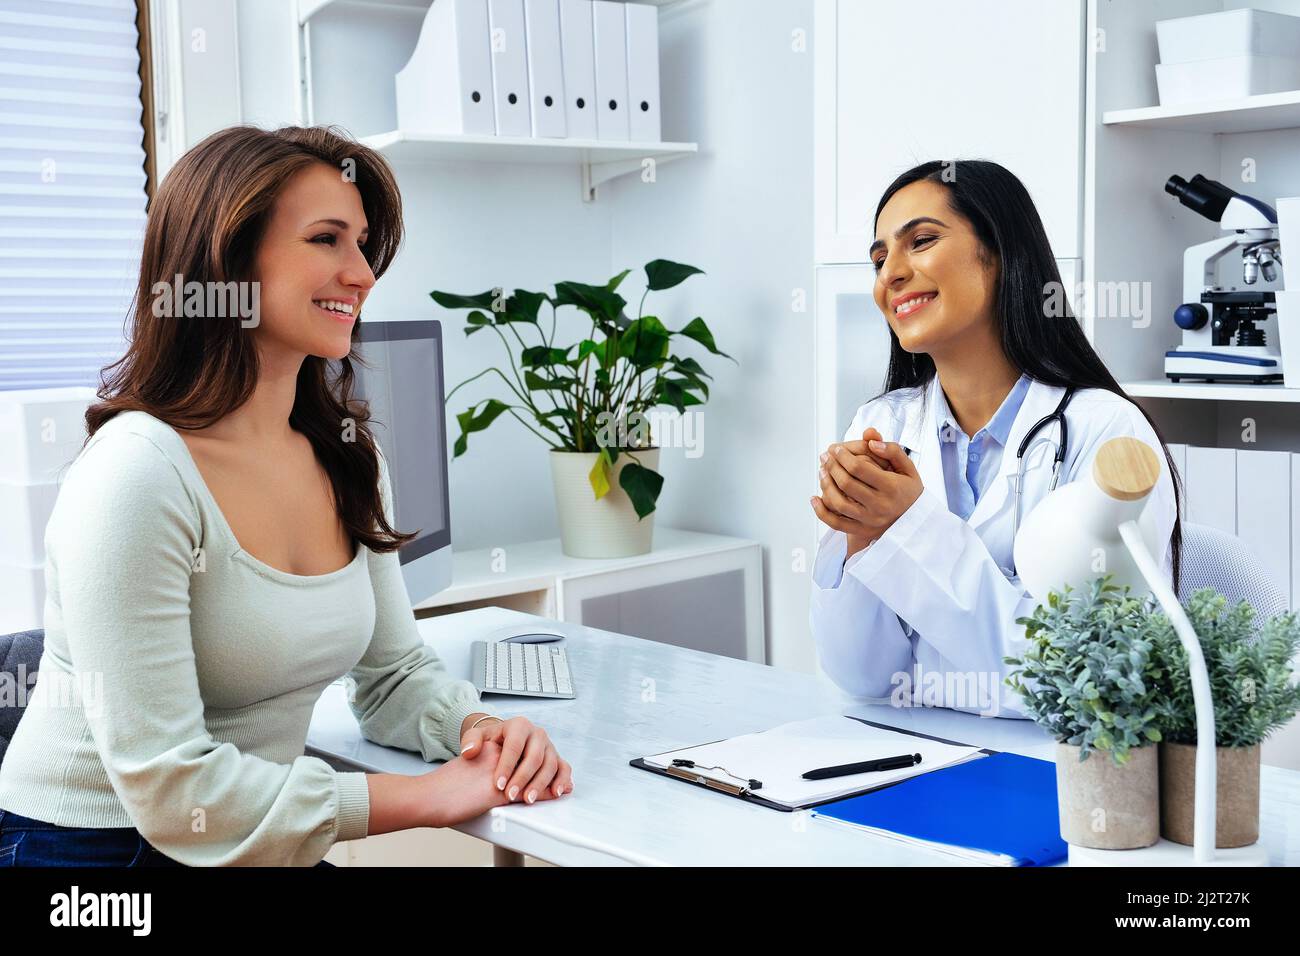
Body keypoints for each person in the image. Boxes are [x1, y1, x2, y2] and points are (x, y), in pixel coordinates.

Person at [0, 125, 571, 867]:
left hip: (248, 842)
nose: (361, 273)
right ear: (228, 262)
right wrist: (428, 798)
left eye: (363, 244)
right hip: (92, 855)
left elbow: (394, 677)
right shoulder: (134, 476)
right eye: (326, 239)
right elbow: (176, 792)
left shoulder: (347, 457)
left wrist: (475, 731)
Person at [809, 159, 1182, 718]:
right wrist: (866, 541)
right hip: (914, 755)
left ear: (1001, 253)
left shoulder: (1107, 434)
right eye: (881, 258)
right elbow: (864, 678)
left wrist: (910, 529)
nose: (889, 276)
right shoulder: (882, 425)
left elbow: (1090, 682)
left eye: (922, 241)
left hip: (1056, 772)